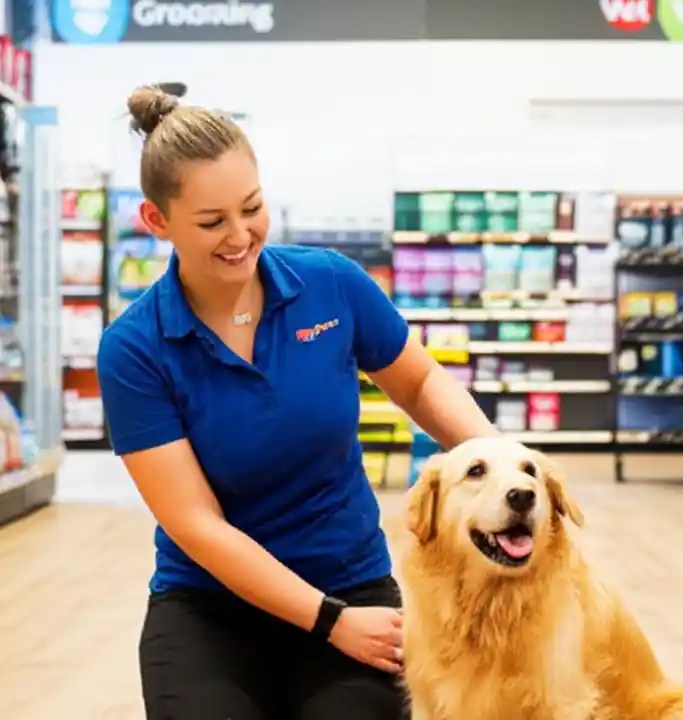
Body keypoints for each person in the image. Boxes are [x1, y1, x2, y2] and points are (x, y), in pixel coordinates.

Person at [96, 84, 499, 720]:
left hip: (351, 584)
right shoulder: (133, 350)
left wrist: (496, 460)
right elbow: (197, 524)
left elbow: (419, 382)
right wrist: (328, 622)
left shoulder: (330, 283)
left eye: (252, 208)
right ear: (156, 221)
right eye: (211, 222)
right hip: (210, 607)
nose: (240, 236)